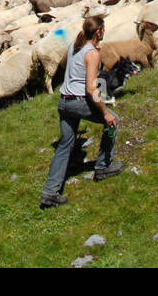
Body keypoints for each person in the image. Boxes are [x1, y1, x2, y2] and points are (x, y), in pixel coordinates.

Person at [40, 16, 123, 208]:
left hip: (64, 101)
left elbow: (76, 65)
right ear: (98, 32)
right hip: (78, 102)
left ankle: (49, 193)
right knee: (113, 121)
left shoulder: (74, 46)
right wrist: (105, 112)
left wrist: (94, 52)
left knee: (65, 145)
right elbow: (92, 89)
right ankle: (104, 166)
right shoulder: (91, 53)